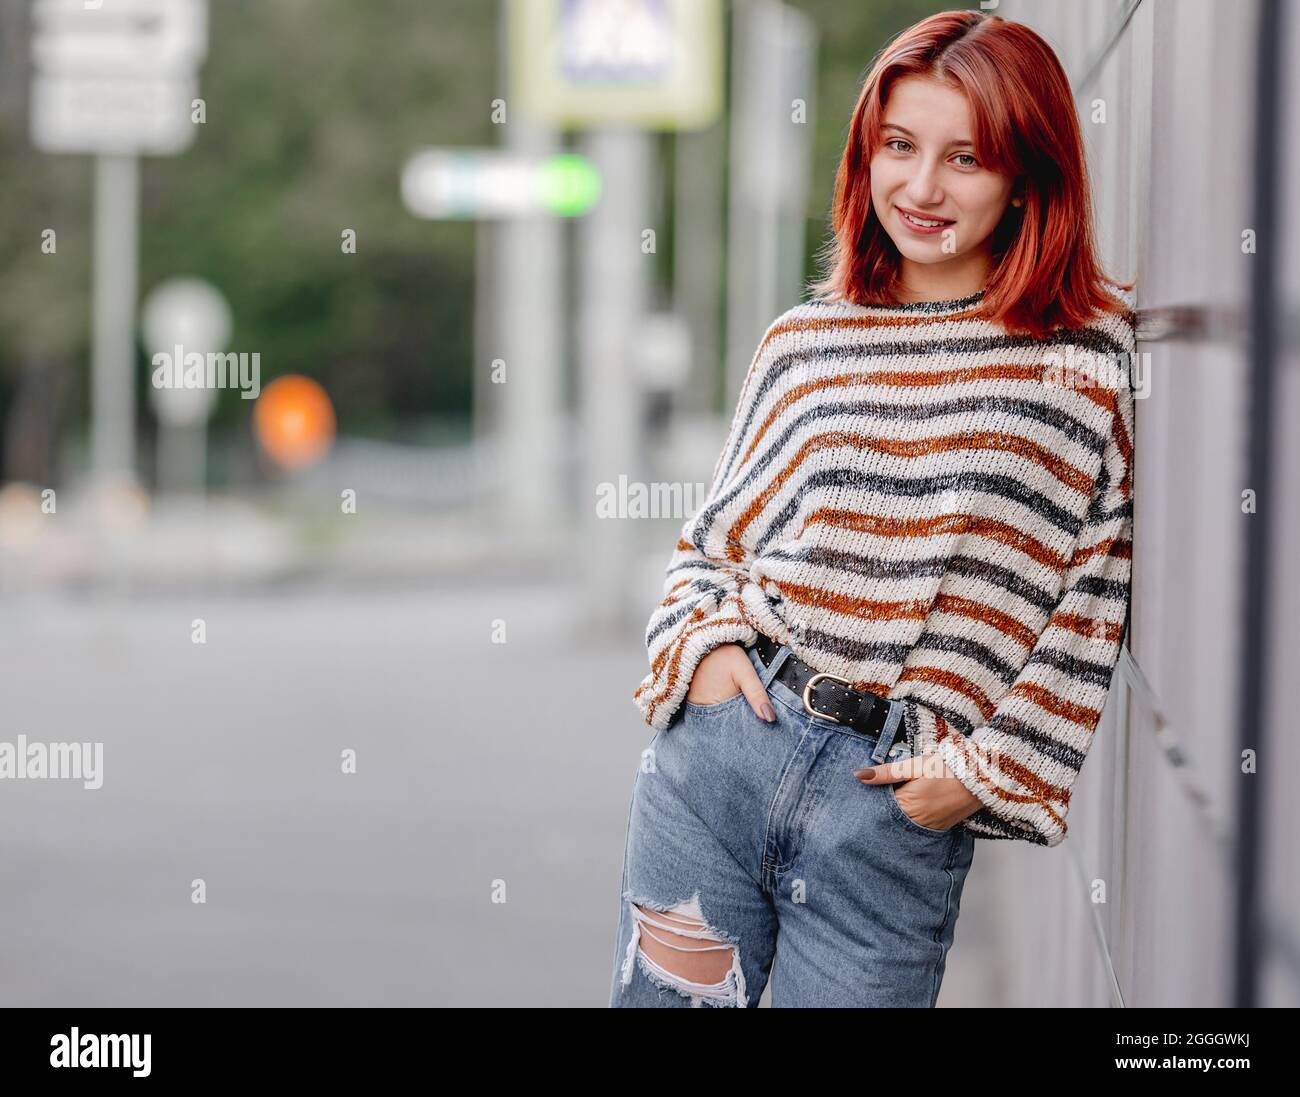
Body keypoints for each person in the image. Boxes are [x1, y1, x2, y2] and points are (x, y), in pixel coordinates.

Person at [610, 8, 1136, 1008]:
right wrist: (710, 656)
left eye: (964, 157)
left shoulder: (1080, 361)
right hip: (722, 756)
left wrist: (981, 773)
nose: (921, 187)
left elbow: (1091, 601)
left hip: (894, 809)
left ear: (1026, 175)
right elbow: (709, 548)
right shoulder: (805, 340)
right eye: (898, 145)